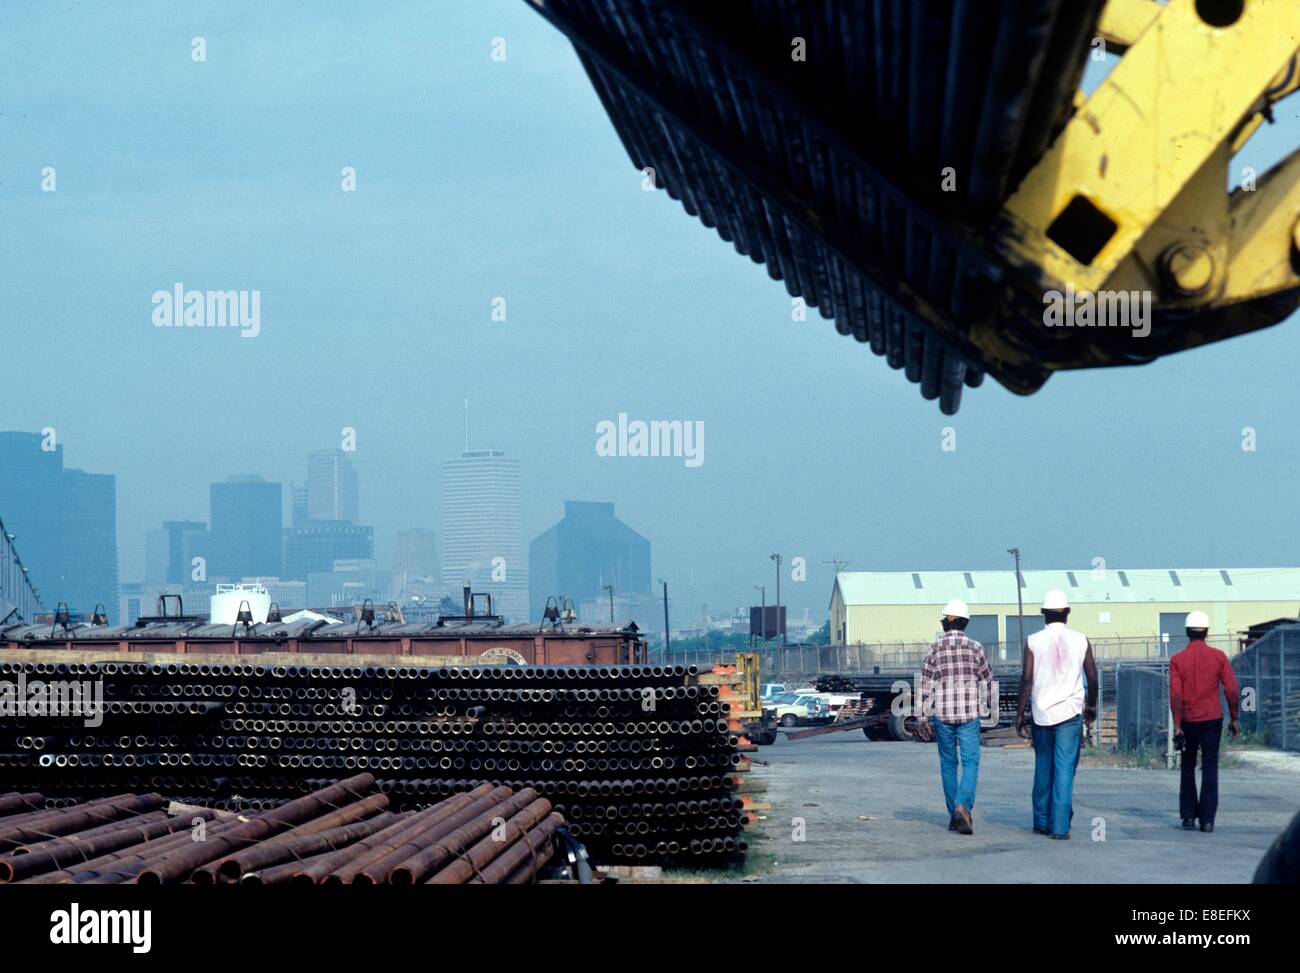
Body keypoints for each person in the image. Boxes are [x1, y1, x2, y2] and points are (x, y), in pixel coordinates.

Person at [1016, 590, 1097, 839]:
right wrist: (1091, 706)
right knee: (1064, 768)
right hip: (1070, 713)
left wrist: (1020, 713)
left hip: (1042, 713)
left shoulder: (1033, 641)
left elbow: (1027, 679)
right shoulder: (1081, 640)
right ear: (1068, 613)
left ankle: (1041, 821)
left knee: (1043, 766)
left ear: (1043, 614)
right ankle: (1060, 827)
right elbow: (1092, 677)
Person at [916, 598, 994, 835]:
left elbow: (924, 685)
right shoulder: (976, 648)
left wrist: (921, 717)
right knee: (971, 762)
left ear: (945, 623)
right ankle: (963, 805)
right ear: (965, 623)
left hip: (943, 715)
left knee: (948, 764)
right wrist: (991, 707)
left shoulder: (934, 649)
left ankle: (954, 815)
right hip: (969, 715)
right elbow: (988, 681)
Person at [1170, 610, 1240, 833]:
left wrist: (1178, 724)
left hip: (1189, 719)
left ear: (1187, 632)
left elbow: (1176, 695)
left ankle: (1189, 816)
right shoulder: (1219, 657)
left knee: (1188, 765)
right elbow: (1231, 689)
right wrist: (1234, 717)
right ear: (1207, 632)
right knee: (1210, 767)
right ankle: (1208, 820)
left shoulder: (1177, 659)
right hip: (1212, 718)